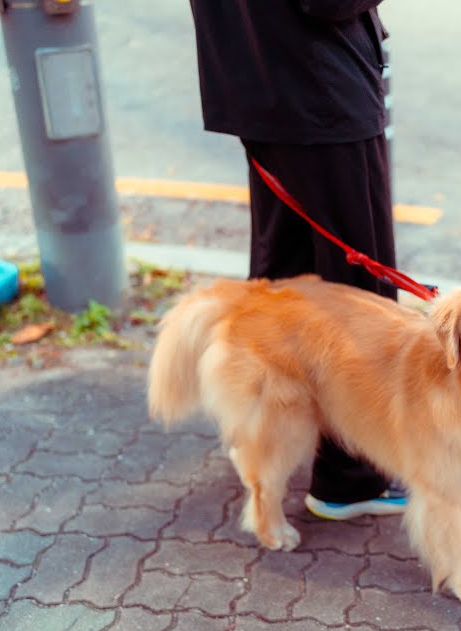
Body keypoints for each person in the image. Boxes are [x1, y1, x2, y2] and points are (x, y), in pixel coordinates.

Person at [186, 0, 406, 520]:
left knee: (283, 276)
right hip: (320, 86)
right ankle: (352, 477)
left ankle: (260, 433)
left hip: (256, 79)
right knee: (358, 297)